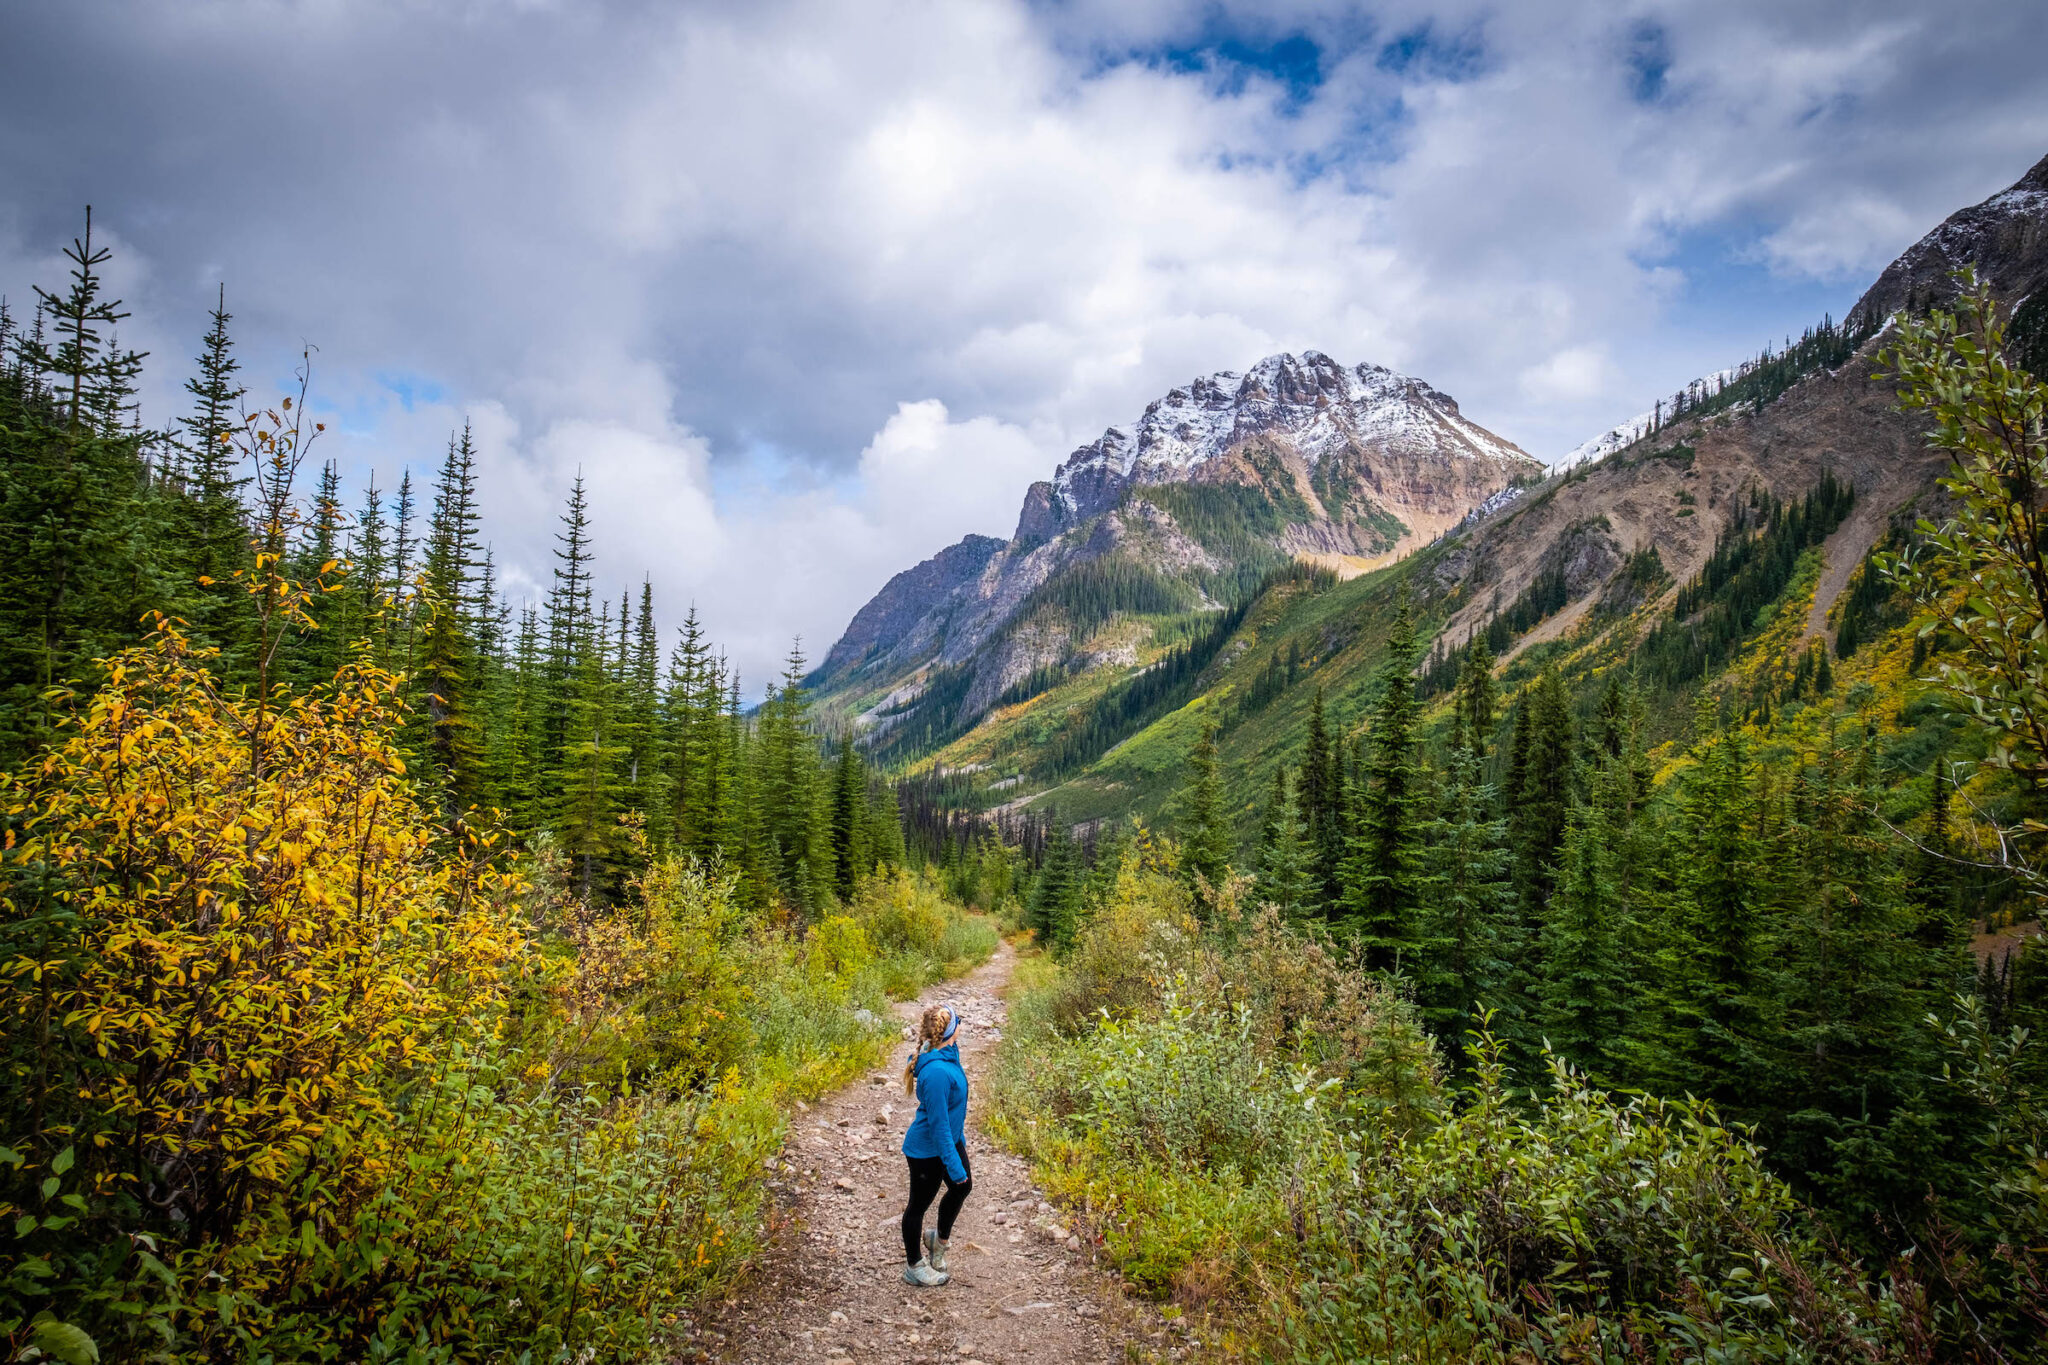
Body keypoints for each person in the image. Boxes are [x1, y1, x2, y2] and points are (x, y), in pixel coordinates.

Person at [899, 1003, 970, 1287]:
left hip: (948, 1141)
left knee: (963, 1186)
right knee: (917, 1206)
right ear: (950, 1031)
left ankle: (937, 1241)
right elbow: (938, 1125)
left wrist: (957, 1147)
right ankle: (915, 1266)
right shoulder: (938, 1072)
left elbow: (953, 1113)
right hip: (927, 1151)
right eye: (959, 1021)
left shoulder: (948, 1057)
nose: (962, 1024)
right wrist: (953, 1164)